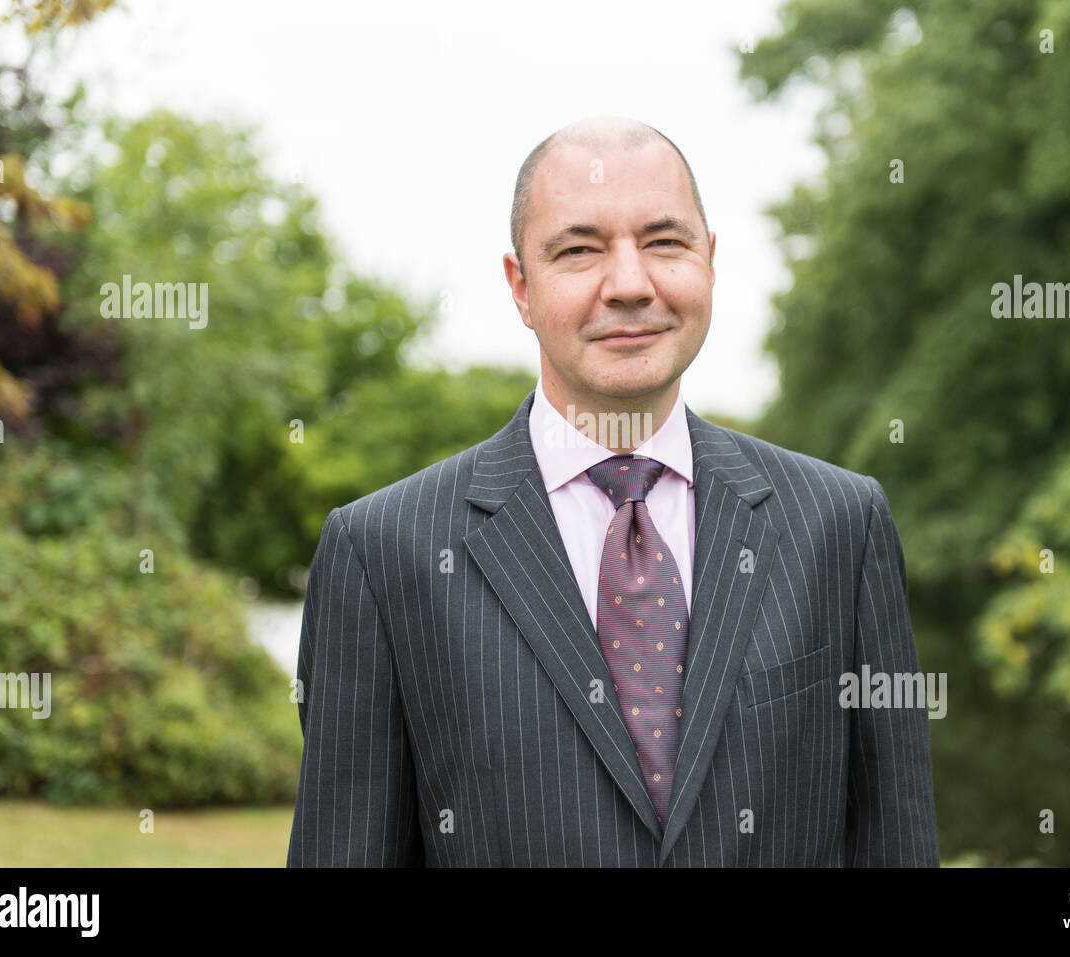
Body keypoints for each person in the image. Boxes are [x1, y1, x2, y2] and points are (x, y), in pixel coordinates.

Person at [287, 115, 939, 867]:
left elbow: (896, 843)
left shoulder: (840, 525)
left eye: (665, 242)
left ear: (712, 261)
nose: (630, 284)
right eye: (579, 250)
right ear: (520, 287)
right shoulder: (381, 552)